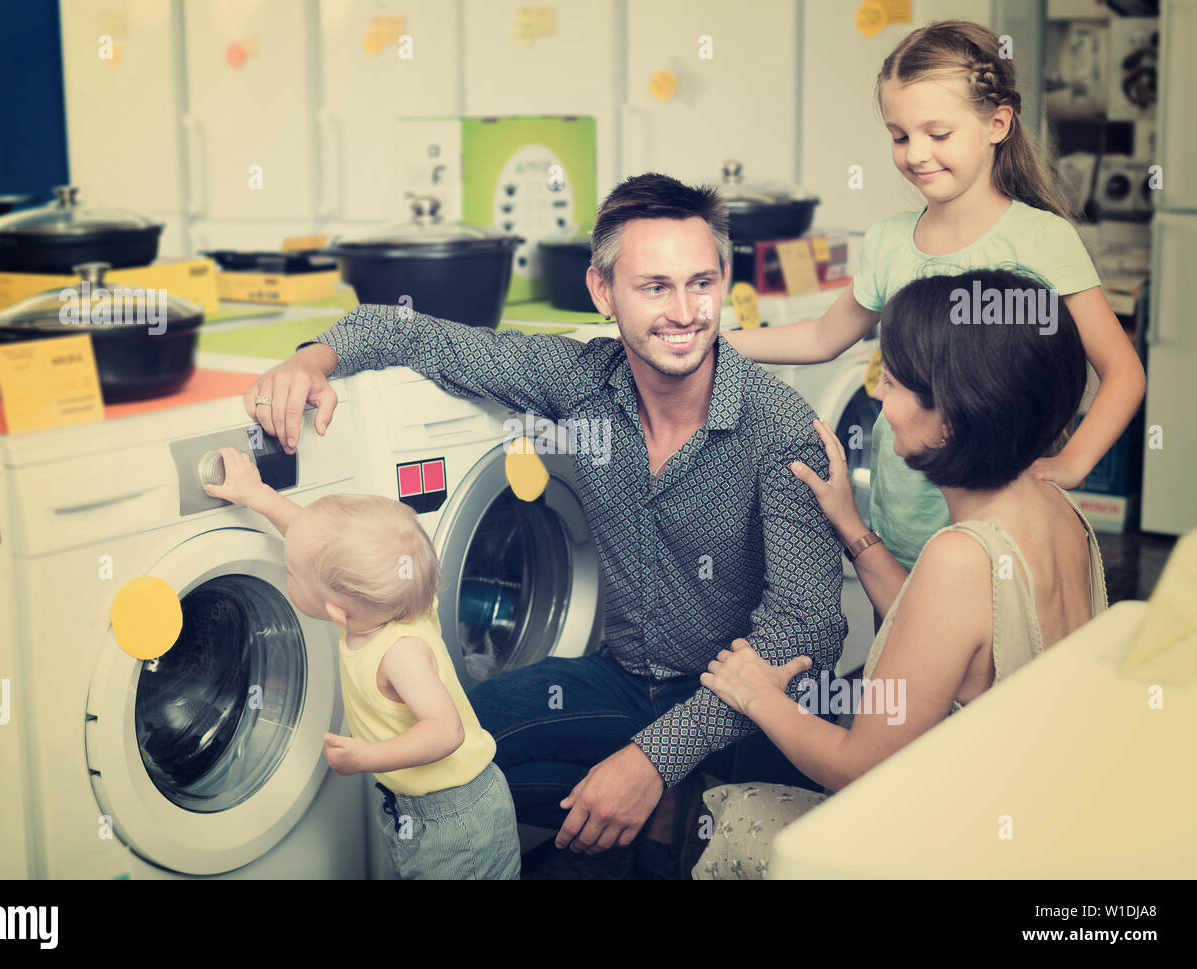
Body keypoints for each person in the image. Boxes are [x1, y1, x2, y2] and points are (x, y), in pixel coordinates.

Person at [240, 172, 847, 878]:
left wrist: (654, 758)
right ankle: (653, 821)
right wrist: (309, 361)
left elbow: (806, 627)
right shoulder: (582, 379)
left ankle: (669, 819)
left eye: (701, 283)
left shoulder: (778, 427)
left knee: (692, 838)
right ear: (602, 292)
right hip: (623, 680)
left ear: (723, 279)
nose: (685, 311)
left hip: (744, 709)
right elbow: (409, 333)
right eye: (654, 287)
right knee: (440, 745)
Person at [694, 269, 1109, 879]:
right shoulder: (1056, 507)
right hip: (1041, 826)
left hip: (964, 851)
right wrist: (848, 522)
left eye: (891, 382)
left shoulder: (958, 557)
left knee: (740, 817)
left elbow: (859, 766)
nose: (880, 400)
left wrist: (756, 694)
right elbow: (950, 636)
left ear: (950, 418)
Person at [725, 19, 1145, 573]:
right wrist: (717, 340)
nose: (915, 154)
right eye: (900, 136)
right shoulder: (888, 240)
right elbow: (824, 336)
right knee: (898, 651)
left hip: (1001, 530)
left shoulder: (1043, 240)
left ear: (997, 124)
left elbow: (1123, 371)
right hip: (901, 515)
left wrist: (1073, 461)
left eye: (937, 134)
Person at [202, 448, 521, 879]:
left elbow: (446, 730)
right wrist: (257, 495)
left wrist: (369, 755)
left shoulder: (399, 652)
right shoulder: (396, 598)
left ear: (336, 611)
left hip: (457, 821)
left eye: (292, 575)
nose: (287, 571)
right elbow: (312, 545)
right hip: (415, 809)